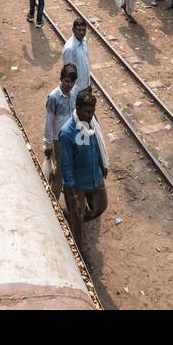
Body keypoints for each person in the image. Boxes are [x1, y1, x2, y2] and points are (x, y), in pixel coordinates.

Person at [58, 89, 109, 243]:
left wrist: (103, 163)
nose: (90, 115)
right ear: (77, 108)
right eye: (87, 111)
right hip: (77, 185)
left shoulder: (92, 122)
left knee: (101, 207)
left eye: (92, 111)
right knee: (77, 223)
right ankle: (79, 252)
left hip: (95, 177)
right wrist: (73, 197)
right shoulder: (67, 133)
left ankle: (74, 216)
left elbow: (96, 144)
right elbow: (66, 166)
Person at [44, 64, 78, 200]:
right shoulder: (53, 97)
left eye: (72, 81)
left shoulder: (74, 92)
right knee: (60, 172)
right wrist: (48, 145)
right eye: (66, 81)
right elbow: (48, 121)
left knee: (72, 168)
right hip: (59, 139)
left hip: (73, 136)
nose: (69, 85)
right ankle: (54, 203)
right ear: (61, 79)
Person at [61, 17, 91, 95]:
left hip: (86, 85)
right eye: (79, 30)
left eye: (84, 30)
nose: (82, 32)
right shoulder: (70, 48)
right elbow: (68, 72)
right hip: (77, 90)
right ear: (73, 30)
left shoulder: (84, 40)